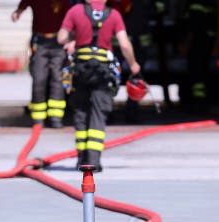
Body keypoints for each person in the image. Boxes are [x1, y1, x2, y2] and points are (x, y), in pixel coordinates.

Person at [58, 0, 140, 172]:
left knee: (81, 112)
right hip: (102, 72)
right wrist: (133, 65)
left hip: (80, 70)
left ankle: (81, 159)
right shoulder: (114, 15)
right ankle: (93, 161)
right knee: (98, 113)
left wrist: (74, 38)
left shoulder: (76, 11)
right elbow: (124, 44)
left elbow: (61, 37)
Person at [12, 0, 72, 128]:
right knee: (39, 79)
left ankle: (56, 118)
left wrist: (71, 39)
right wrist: (17, 13)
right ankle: (38, 119)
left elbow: (71, 18)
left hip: (58, 42)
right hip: (40, 42)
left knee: (57, 79)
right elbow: (22, 6)